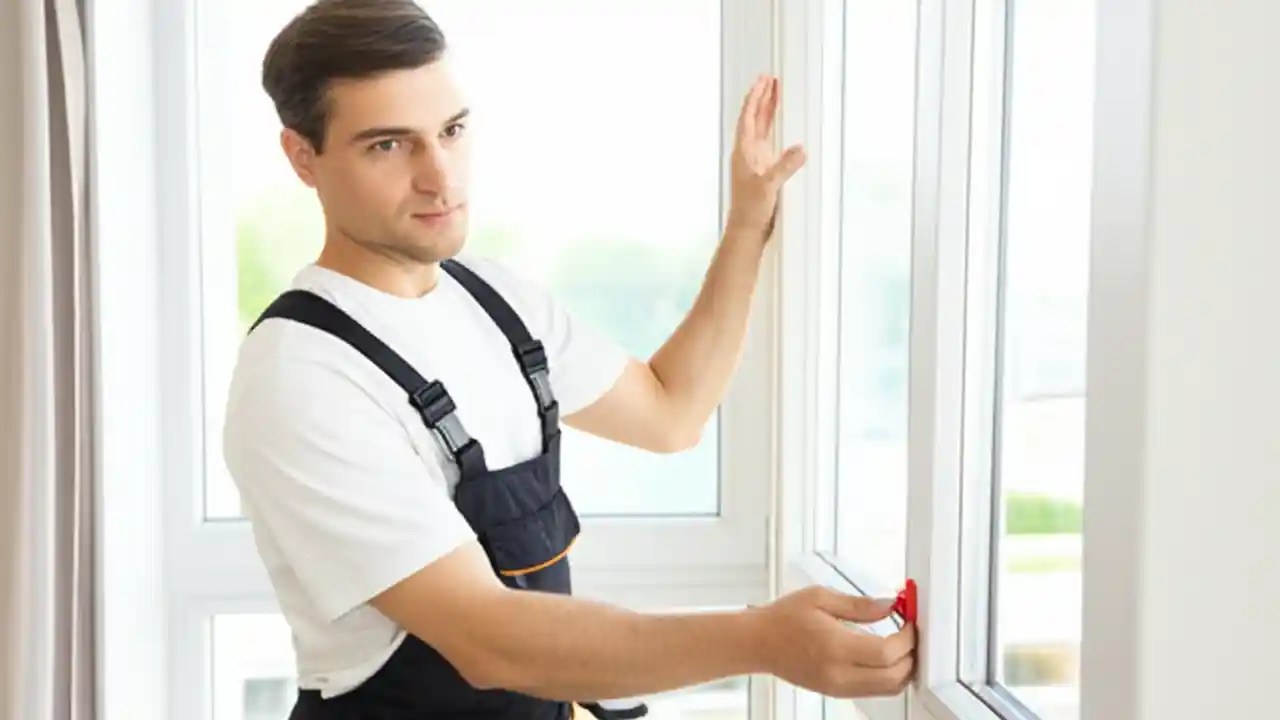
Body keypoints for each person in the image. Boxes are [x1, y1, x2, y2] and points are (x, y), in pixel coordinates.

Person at [222, 1, 917, 718]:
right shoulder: (301, 378)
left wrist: (747, 224)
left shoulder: (494, 301)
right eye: (388, 146)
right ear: (303, 157)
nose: (441, 177)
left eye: (452, 132)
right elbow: (489, 640)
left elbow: (670, 412)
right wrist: (761, 641)